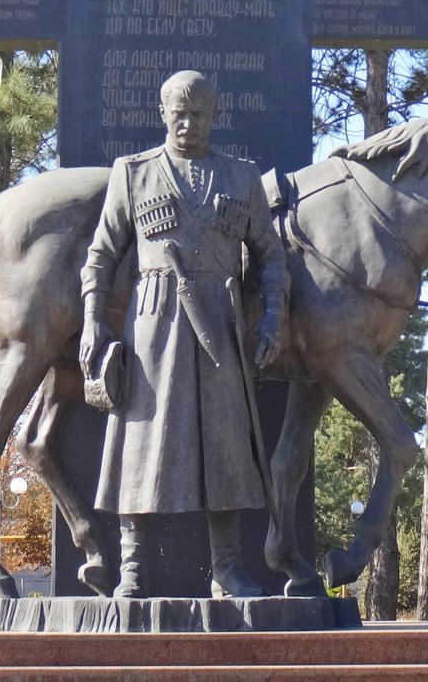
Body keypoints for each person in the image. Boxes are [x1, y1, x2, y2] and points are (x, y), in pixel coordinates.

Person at [78, 69, 288, 599]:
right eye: (179, 114)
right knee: (142, 441)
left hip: (221, 322)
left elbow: (271, 257)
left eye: (199, 114)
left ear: (213, 116)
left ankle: (228, 569)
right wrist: (92, 319)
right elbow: (101, 256)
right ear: (163, 115)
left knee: (225, 446)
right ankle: (131, 569)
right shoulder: (134, 173)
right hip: (154, 323)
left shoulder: (242, 178)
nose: (189, 124)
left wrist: (271, 318)